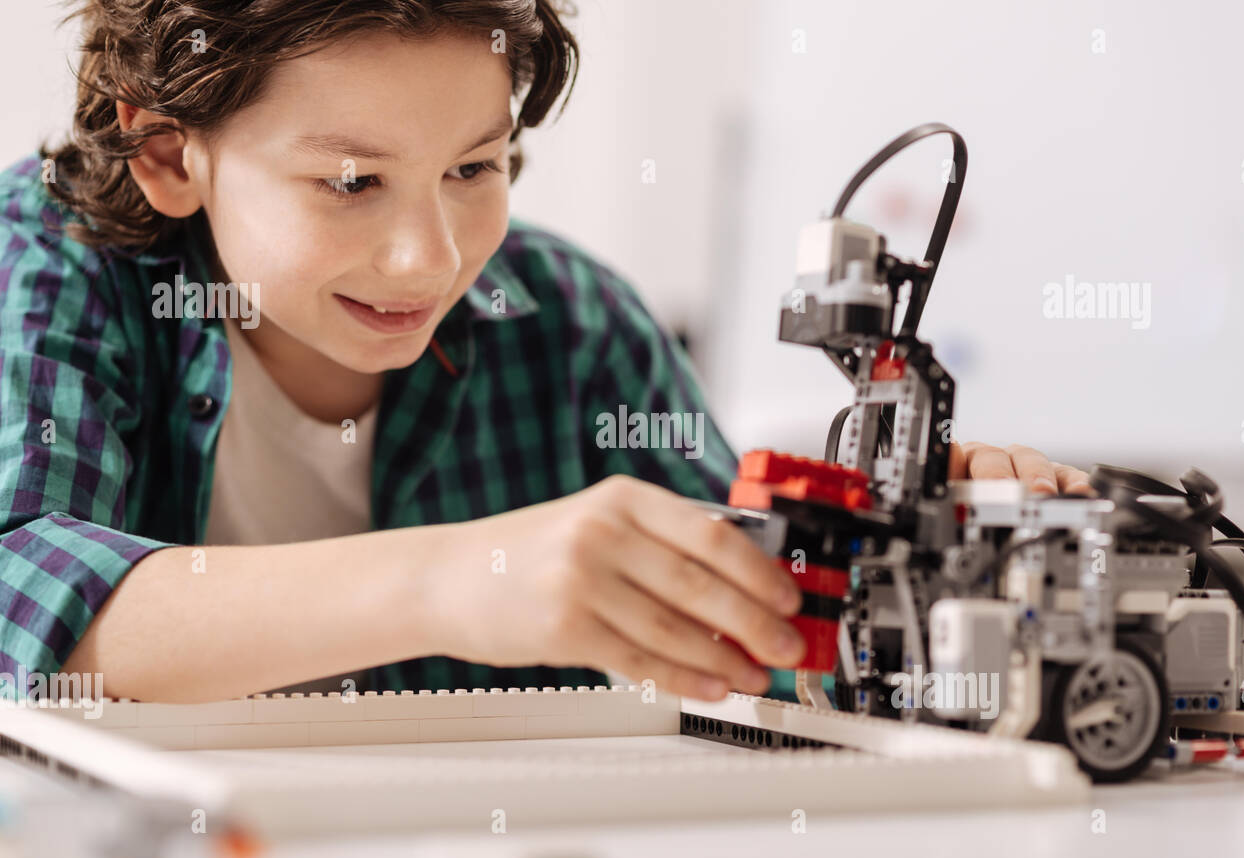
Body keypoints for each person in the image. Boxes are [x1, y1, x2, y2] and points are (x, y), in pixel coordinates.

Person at [0, 0, 1090, 705]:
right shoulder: (48, 269)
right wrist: (458, 578)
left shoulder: (570, 322)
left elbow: (757, 639)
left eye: (474, 170)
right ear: (163, 151)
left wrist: (916, 558)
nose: (429, 259)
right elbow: (18, 598)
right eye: (350, 183)